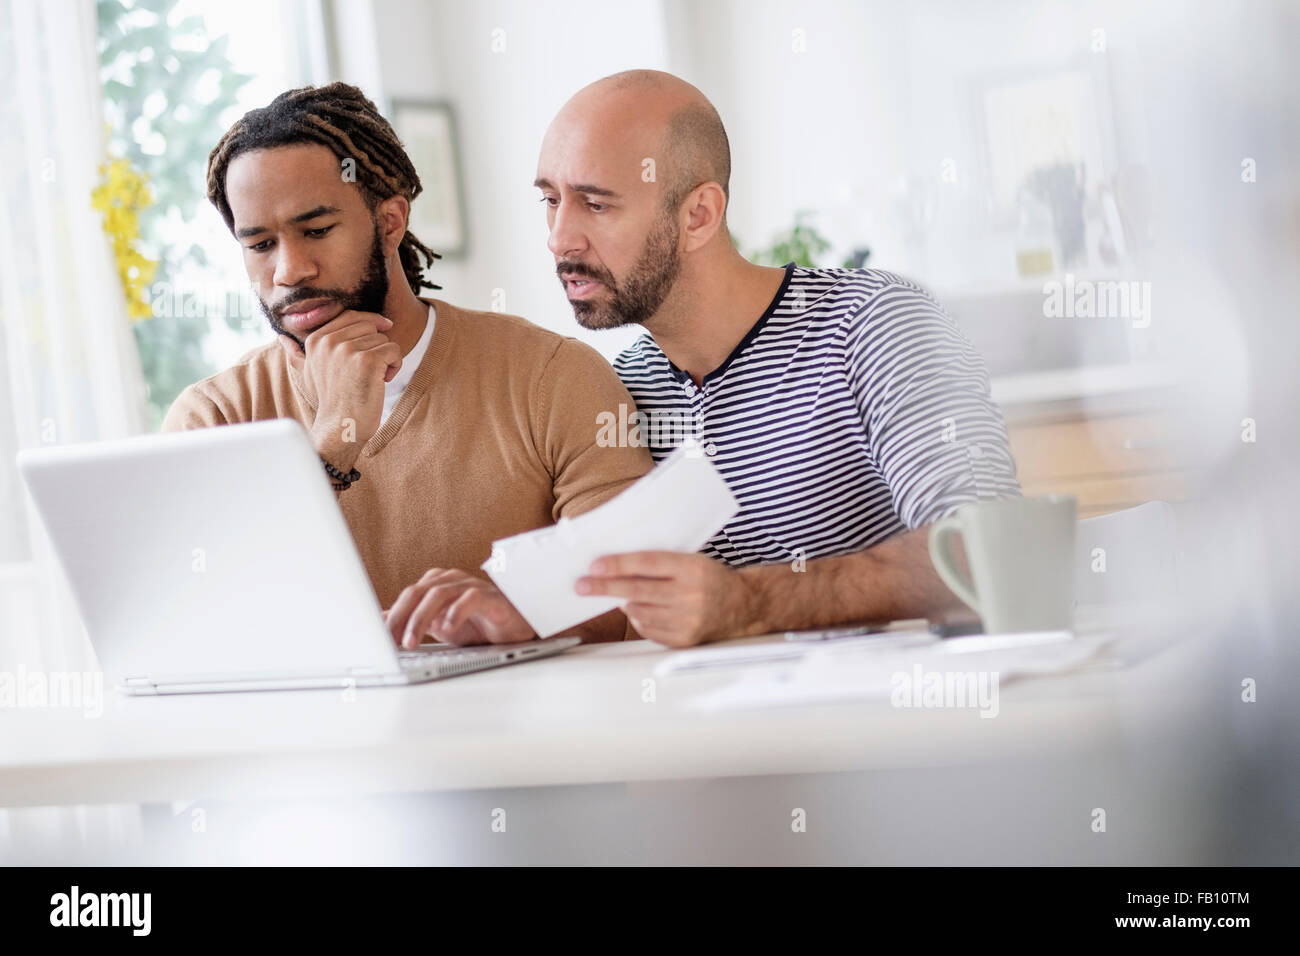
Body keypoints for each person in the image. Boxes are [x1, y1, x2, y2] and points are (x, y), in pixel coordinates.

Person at [534, 70, 1022, 646]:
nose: (559, 238)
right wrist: (521, 613)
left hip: (900, 718)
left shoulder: (875, 323)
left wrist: (750, 601)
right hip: (720, 726)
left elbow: (991, 549)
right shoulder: (620, 387)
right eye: (550, 200)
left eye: (595, 203)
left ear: (699, 216)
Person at [162, 82, 651, 647]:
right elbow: (195, 630)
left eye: (316, 230)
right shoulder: (213, 418)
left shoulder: (554, 377)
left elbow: (632, 607)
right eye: (261, 244)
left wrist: (520, 613)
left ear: (391, 221)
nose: (289, 270)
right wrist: (333, 440)